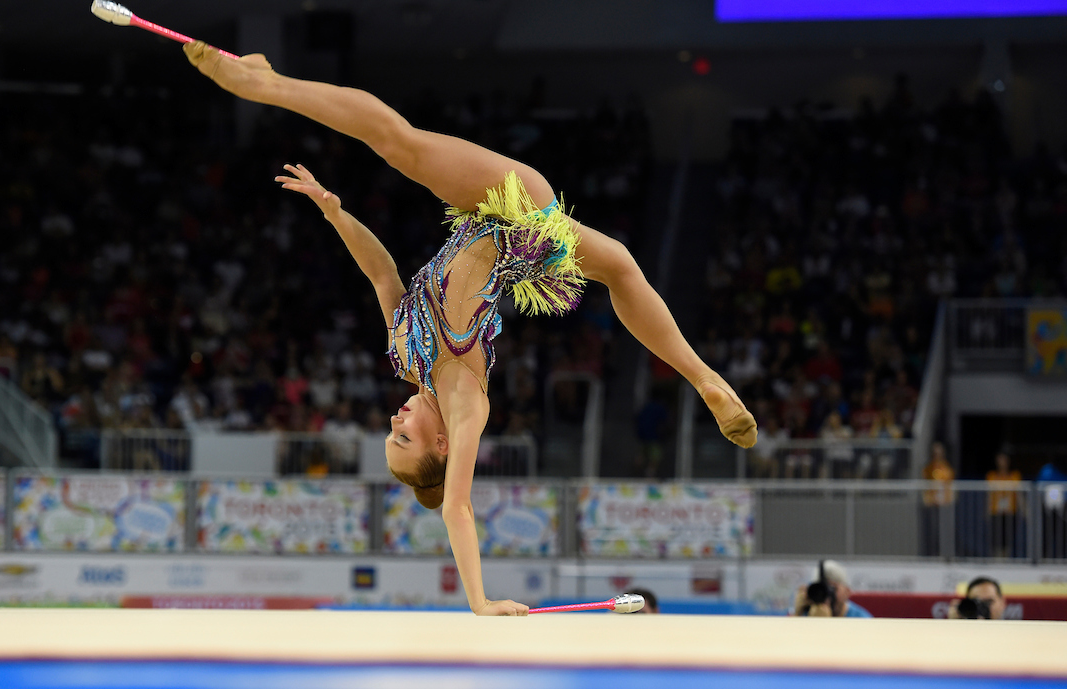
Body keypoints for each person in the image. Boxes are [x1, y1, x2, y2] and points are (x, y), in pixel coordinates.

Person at [183, 41, 758, 616]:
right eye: (403, 437)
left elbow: (382, 275)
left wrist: (336, 214)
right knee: (398, 142)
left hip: (515, 235)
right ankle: (266, 84)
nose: (393, 421)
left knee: (621, 268)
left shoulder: (408, 358)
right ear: (442, 444)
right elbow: (456, 507)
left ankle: (704, 378)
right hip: (507, 209)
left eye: (390, 433)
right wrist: (479, 601)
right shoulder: (464, 402)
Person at [792, 560, 873, 618]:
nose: (826, 597)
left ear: (847, 592)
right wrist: (797, 614)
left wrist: (825, 624)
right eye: (820, 590)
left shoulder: (860, 619)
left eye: (832, 589)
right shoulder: (805, 614)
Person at [986, 451, 1023, 558]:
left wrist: (1024, 509)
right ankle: (996, 559)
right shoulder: (992, 476)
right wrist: (987, 510)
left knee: (1007, 538)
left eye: (1004, 460)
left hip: (1010, 511)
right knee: (996, 538)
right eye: (1000, 459)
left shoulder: (1014, 476)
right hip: (996, 511)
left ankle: (1005, 558)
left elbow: (1019, 494)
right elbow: (989, 495)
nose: (1002, 462)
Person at [921, 441, 955, 556]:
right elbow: (925, 486)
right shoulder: (928, 469)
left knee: (944, 531)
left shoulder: (947, 469)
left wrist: (947, 501)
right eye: (935, 453)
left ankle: (944, 554)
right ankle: (931, 554)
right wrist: (928, 500)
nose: (937, 455)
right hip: (931, 504)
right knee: (931, 531)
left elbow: (949, 486)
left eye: (939, 453)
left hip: (944, 504)